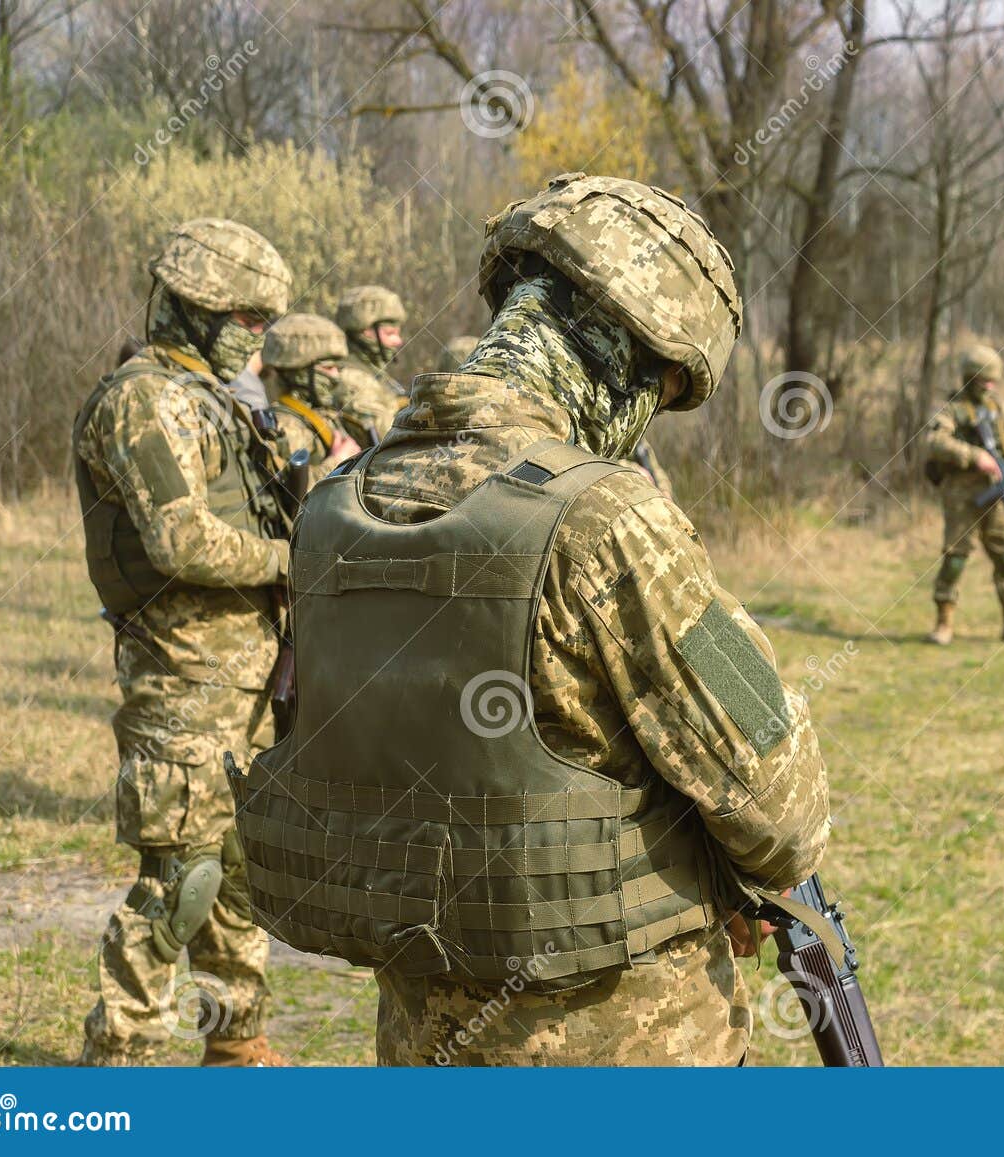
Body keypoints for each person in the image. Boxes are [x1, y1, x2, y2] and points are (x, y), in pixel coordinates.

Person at [230, 173, 831, 1066]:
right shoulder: (608, 521)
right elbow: (783, 808)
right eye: (662, 390)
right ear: (627, 356)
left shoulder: (338, 506)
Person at [72, 218, 294, 1067]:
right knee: (181, 883)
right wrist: (291, 558)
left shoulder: (216, 403)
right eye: (246, 319)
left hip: (244, 683)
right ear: (196, 310)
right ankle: (118, 1058)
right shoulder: (145, 399)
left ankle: (239, 1047)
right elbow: (180, 542)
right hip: (182, 680)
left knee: (238, 876)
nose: (257, 338)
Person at [920, 344, 1004, 644]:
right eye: (984, 380)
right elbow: (935, 441)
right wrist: (974, 457)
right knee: (956, 558)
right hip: (962, 494)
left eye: (993, 381)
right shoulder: (952, 409)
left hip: (996, 492)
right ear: (970, 378)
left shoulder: (998, 407)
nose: (990, 386)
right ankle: (944, 622)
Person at [260, 313, 363, 480]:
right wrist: (337, 464)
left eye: (337, 368)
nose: (336, 376)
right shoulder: (286, 427)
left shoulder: (318, 415)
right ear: (299, 370)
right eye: (328, 368)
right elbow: (288, 499)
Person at [332, 284, 410, 440]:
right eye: (390, 333)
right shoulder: (350, 380)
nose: (398, 341)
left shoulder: (377, 375)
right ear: (364, 332)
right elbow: (387, 438)